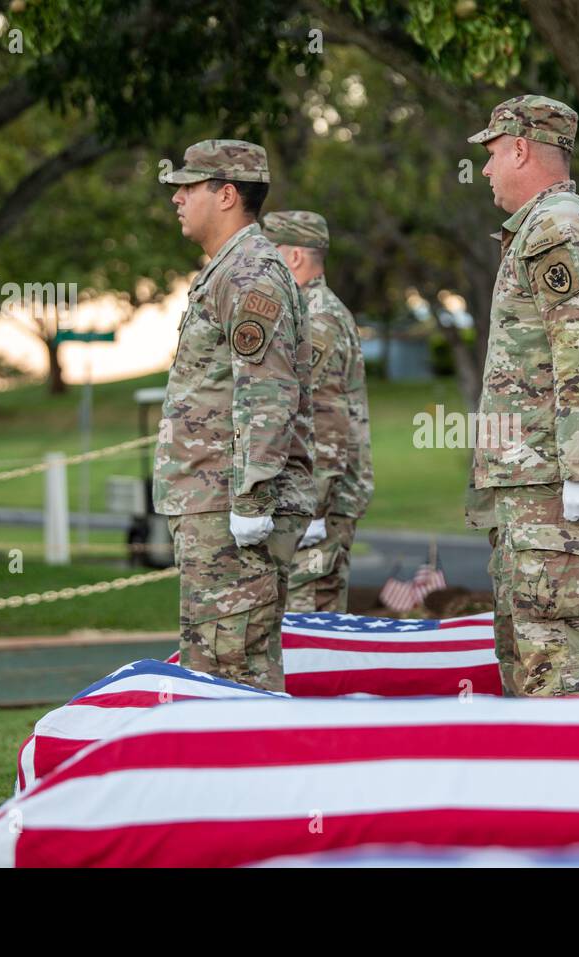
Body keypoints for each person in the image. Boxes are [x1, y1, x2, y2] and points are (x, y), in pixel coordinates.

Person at [464, 94, 579, 697]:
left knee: (556, 656)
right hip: (535, 475)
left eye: (491, 154)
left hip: (552, 477)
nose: (485, 170)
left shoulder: (555, 226)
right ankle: (546, 780)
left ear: (520, 148)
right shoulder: (543, 226)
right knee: (529, 646)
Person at [153, 140, 315, 691]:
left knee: (232, 671)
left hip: (232, 507)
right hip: (213, 502)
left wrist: (251, 500)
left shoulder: (249, 274)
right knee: (218, 665)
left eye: (189, 185)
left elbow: (266, 393)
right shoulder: (229, 270)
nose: (176, 196)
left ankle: (249, 775)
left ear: (226, 195)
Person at [262, 210, 374, 613]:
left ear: (293, 258)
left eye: (268, 253)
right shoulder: (307, 309)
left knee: (310, 623)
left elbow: (325, 419)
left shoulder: (318, 319)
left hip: (319, 503)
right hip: (316, 496)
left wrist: (314, 508)